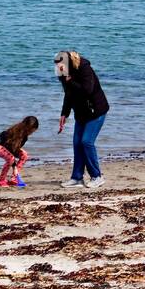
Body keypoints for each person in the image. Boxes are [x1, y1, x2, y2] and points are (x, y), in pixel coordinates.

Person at [55, 50, 109, 189]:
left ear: (69, 64)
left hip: (96, 111)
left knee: (86, 142)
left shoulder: (84, 68)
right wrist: (64, 114)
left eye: (61, 66)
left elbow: (87, 90)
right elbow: (68, 94)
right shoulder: (64, 74)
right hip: (81, 113)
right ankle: (77, 178)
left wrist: (70, 80)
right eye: (57, 66)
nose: (59, 69)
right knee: (77, 143)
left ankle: (97, 176)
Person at [0, 115, 39, 187]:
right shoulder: (14, 132)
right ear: (26, 127)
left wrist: (15, 168)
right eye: (30, 130)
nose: (31, 133)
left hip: (8, 147)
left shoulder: (24, 137)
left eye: (33, 131)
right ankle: (1, 181)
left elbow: (14, 149)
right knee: (10, 159)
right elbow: (9, 149)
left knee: (24, 155)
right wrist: (14, 167)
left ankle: (14, 179)